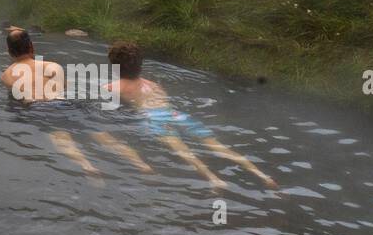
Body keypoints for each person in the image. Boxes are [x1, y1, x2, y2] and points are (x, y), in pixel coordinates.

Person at [105, 41, 277, 190]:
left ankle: (214, 179)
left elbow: (114, 110)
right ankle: (261, 175)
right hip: (176, 114)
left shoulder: (112, 87)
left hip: (153, 118)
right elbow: (165, 101)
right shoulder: (153, 84)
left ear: (114, 66)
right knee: (216, 145)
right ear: (140, 64)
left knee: (183, 150)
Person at [0, 27, 100, 178]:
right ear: (31, 46)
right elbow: (64, 87)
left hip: (39, 108)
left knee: (60, 136)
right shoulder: (53, 66)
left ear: (9, 51)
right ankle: (139, 163)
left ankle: (86, 165)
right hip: (67, 103)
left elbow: (17, 96)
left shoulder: (7, 75)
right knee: (98, 132)